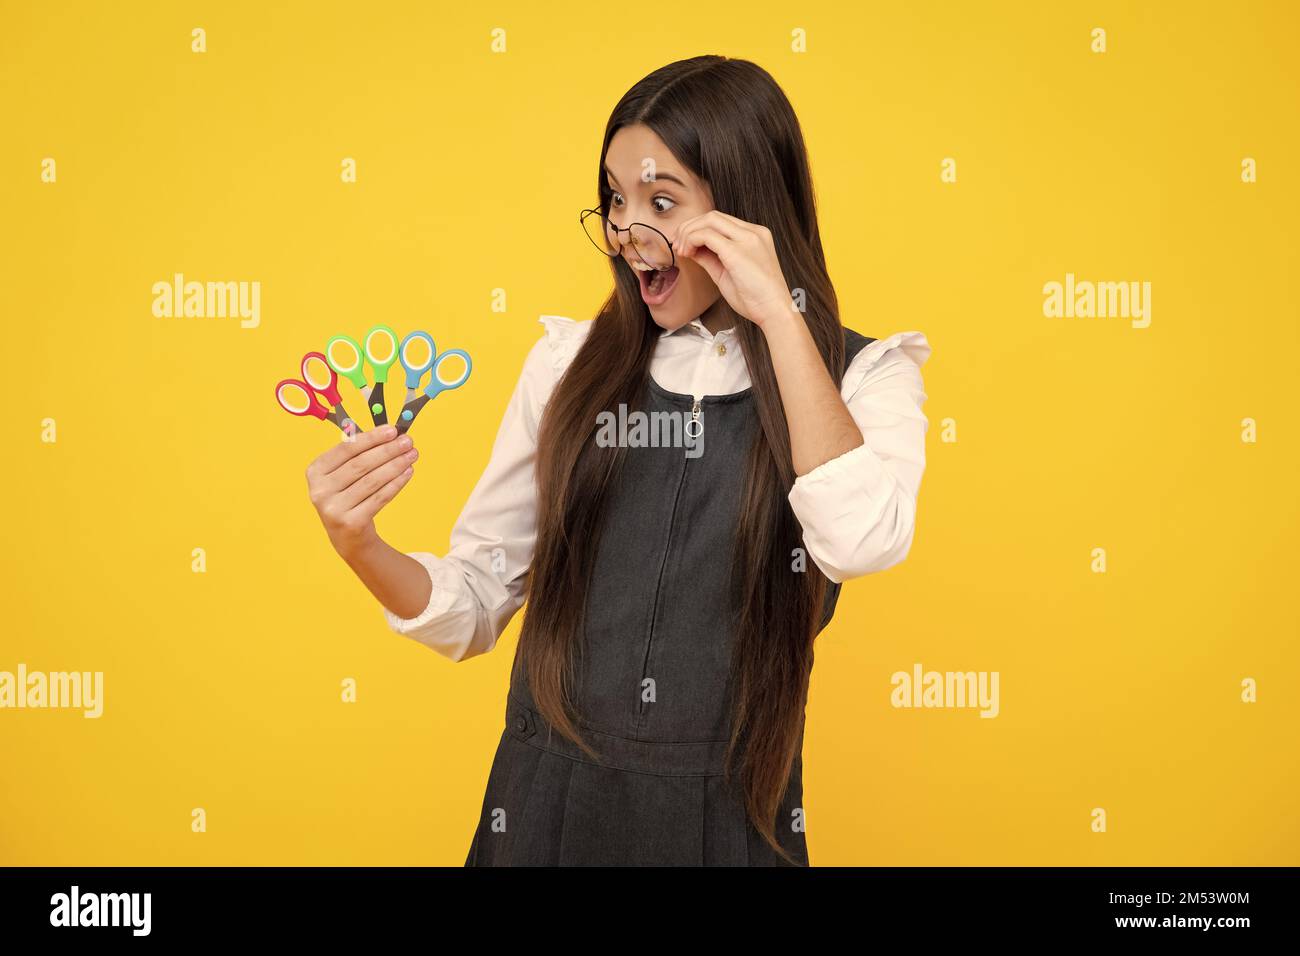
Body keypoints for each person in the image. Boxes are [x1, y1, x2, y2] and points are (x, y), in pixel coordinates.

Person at [304, 55, 931, 865]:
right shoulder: (568, 364)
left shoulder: (865, 376)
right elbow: (476, 601)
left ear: (744, 213)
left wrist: (780, 313)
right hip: (544, 814)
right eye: (614, 198)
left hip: (731, 825)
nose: (626, 233)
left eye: (661, 202)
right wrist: (361, 545)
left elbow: (861, 540)